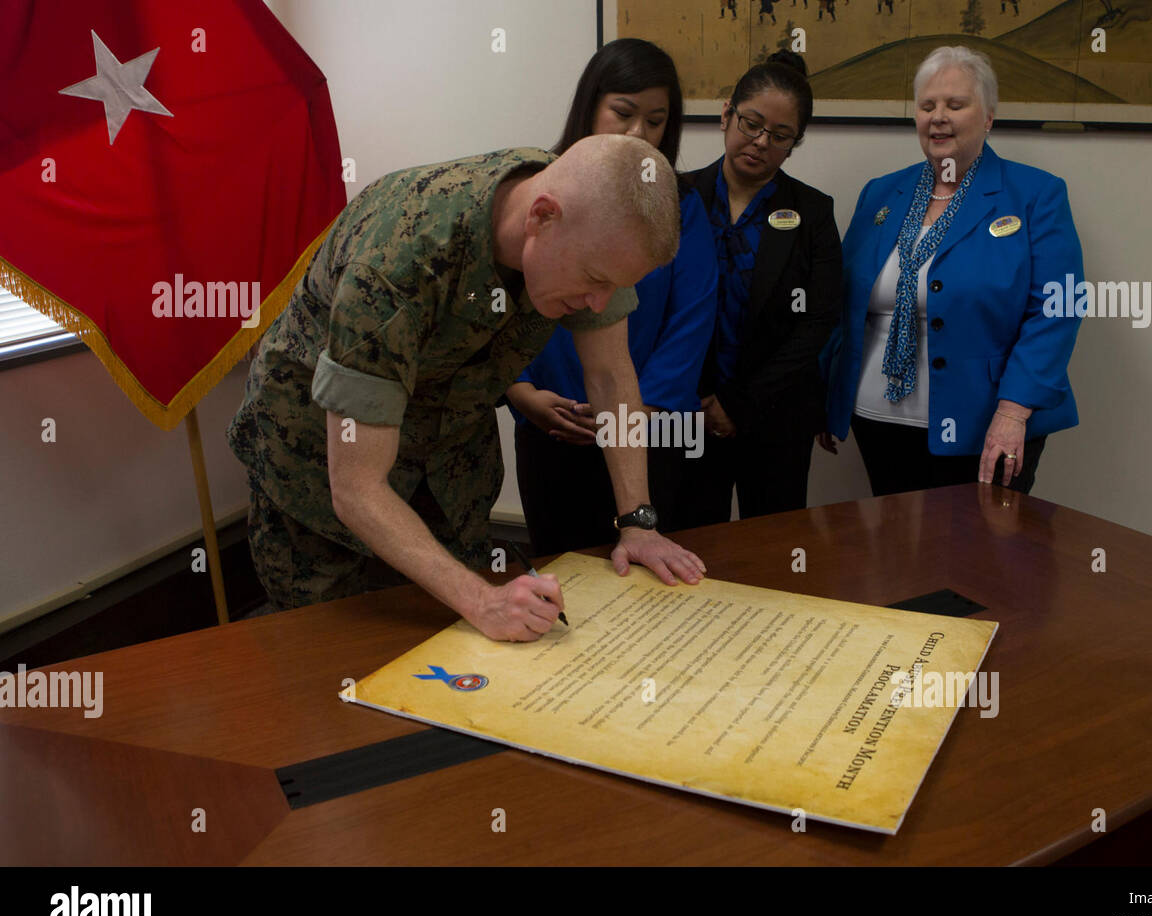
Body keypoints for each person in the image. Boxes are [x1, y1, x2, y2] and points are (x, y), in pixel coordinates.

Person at [226, 135, 706, 642]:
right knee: (337, 652)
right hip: (315, 469)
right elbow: (357, 487)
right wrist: (483, 600)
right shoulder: (395, 267)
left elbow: (610, 376)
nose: (598, 303)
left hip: (445, 459)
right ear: (541, 218)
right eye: (592, 280)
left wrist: (639, 523)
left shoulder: (590, 221)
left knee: (451, 645)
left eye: (614, 285)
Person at [820, 45, 1084, 495]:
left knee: (979, 559)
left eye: (955, 105)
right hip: (877, 420)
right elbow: (841, 301)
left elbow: (1056, 310)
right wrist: (828, 397)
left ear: (988, 117)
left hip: (985, 424)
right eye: (927, 106)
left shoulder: (1035, 194)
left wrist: (1013, 412)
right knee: (895, 555)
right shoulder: (882, 194)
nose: (938, 116)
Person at [506, 39, 716, 556]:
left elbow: (692, 318)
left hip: (644, 428)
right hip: (551, 422)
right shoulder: (538, 191)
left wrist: (641, 409)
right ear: (590, 104)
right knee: (560, 566)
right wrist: (520, 390)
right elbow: (497, 305)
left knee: (639, 568)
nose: (637, 133)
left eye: (655, 120)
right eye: (623, 113)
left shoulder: (681, 207)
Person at [680, 51, 842, 526]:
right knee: (687, 543)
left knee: (772, 551)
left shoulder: (812, 212)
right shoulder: (679, 196)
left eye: (780, 135)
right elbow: (659, 308)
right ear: (727, 112)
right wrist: (705, 396)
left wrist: (741, 405)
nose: (760, 142)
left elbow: (820, 320)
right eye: (751, 123)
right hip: (687, 407)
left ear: (795, 143)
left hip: (777, 413)